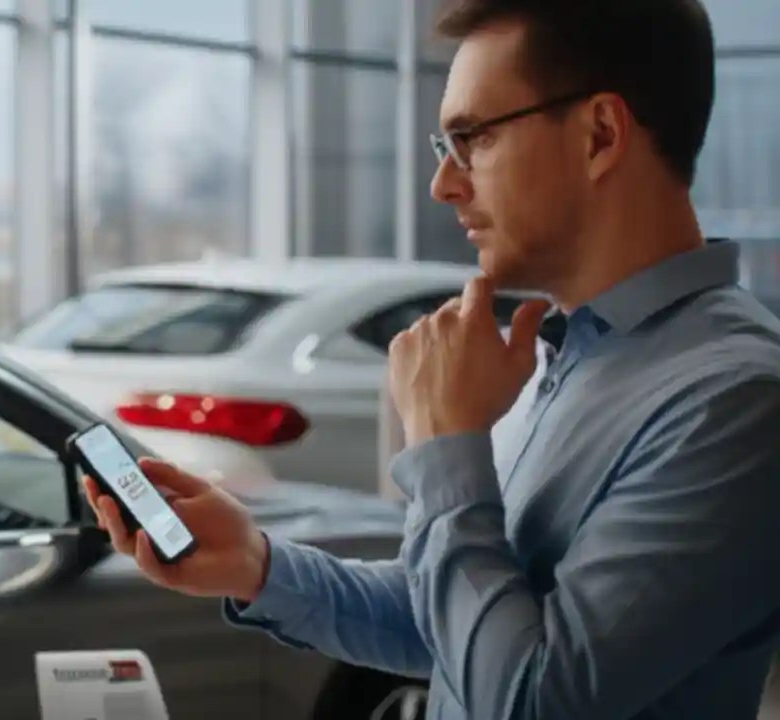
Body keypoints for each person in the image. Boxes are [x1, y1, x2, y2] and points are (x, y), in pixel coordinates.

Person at [82, 1, 780, 717]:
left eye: (471, 138)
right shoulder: (569, 354)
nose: (443, 184)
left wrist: (449, 445)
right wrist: (259, 566)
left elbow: (532, 699)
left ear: (600, 134)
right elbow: (462, 623)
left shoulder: (733, 400)